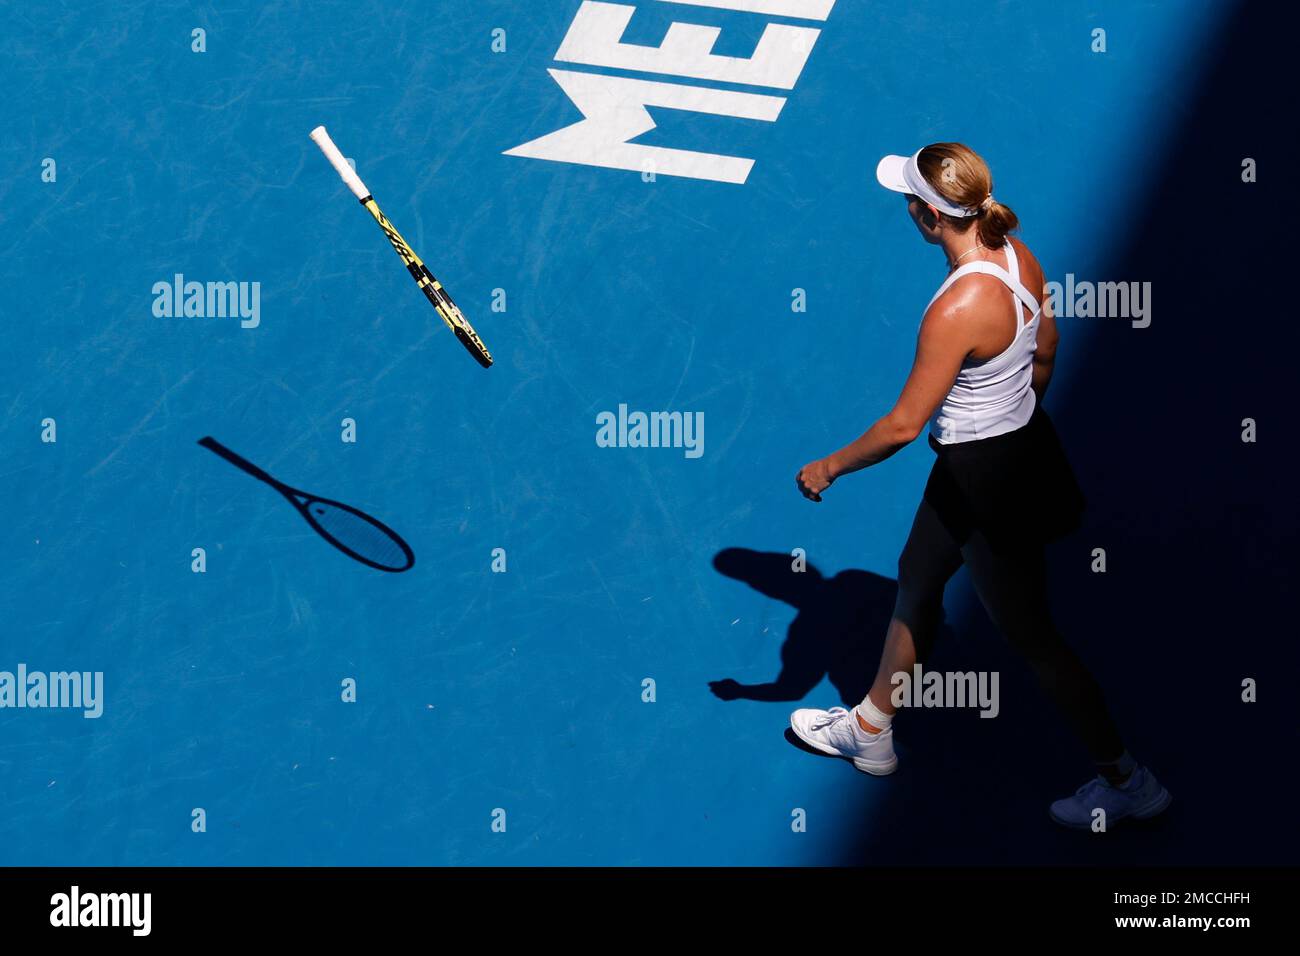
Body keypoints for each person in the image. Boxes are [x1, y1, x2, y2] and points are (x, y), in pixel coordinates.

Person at [790, 143, 1170, 829]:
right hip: (1006, 452)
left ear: (929, 217)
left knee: (1033, 639)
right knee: (916, 575)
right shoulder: (1018, 256)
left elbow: (905, 425)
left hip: (985, 480)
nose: (904, 206)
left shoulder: (954, 309)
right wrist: (1018, 421)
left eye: (910, 199)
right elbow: (1045, 348)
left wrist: (829, 467)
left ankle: (1129, 781)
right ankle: (872, 728)